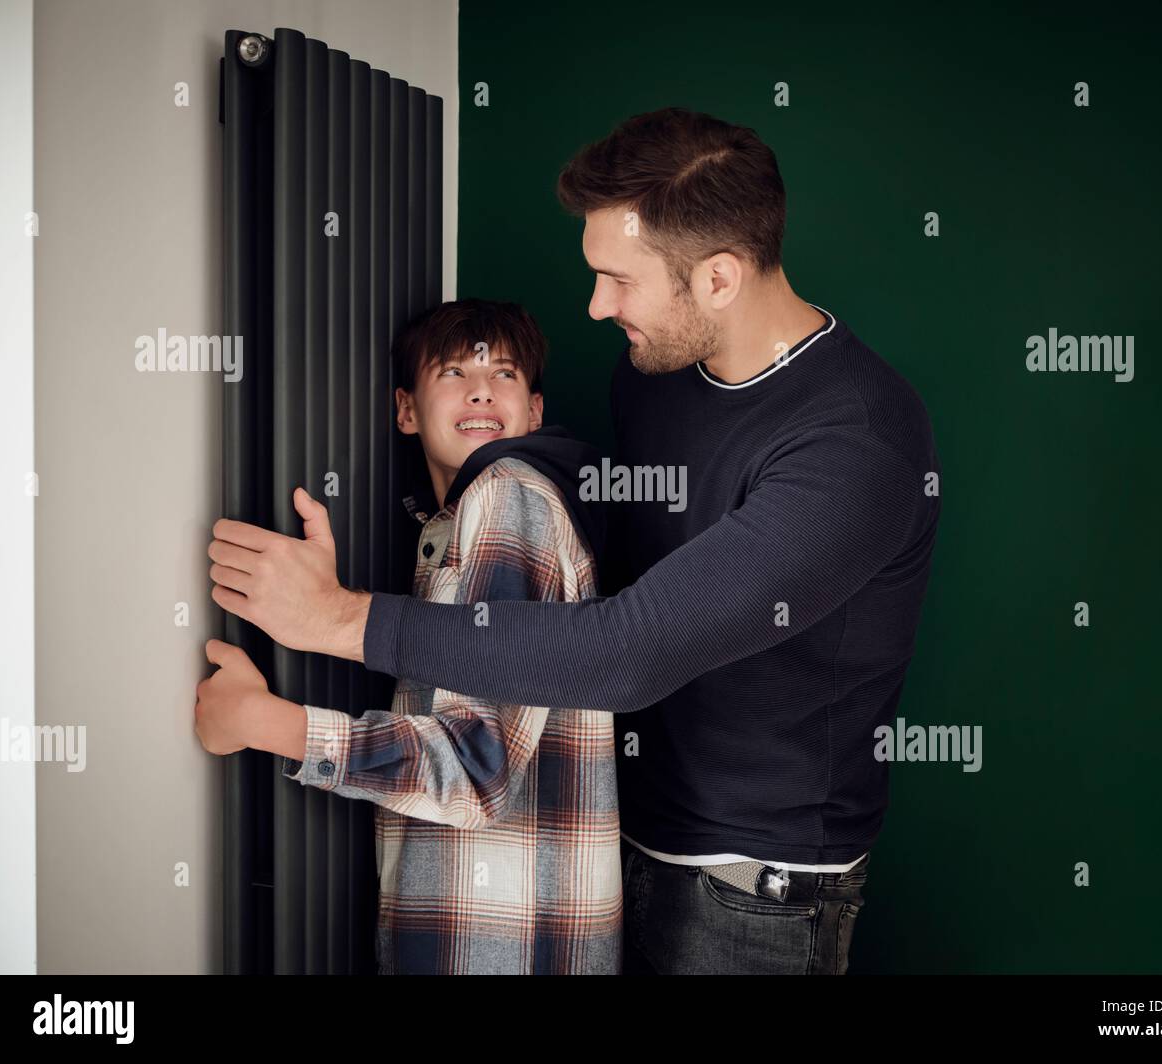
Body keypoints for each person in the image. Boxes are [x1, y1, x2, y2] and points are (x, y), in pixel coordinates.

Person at [209, 108, 941, 975]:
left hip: (754, 884)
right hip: (614, 835)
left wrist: (337, 621)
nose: (597, 306)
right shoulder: (657, 371)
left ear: (717, 279)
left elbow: (631, 649)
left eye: (618, 280)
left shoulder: (858, 446)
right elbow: (603, 594)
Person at [196, 298, 621, 974]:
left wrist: (264, 721)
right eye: (454, 370)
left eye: (504, 374)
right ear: (405, 409)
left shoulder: (507, 493)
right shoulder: (461, 522)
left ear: (534, 413)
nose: (481, 388)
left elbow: (480, 767)